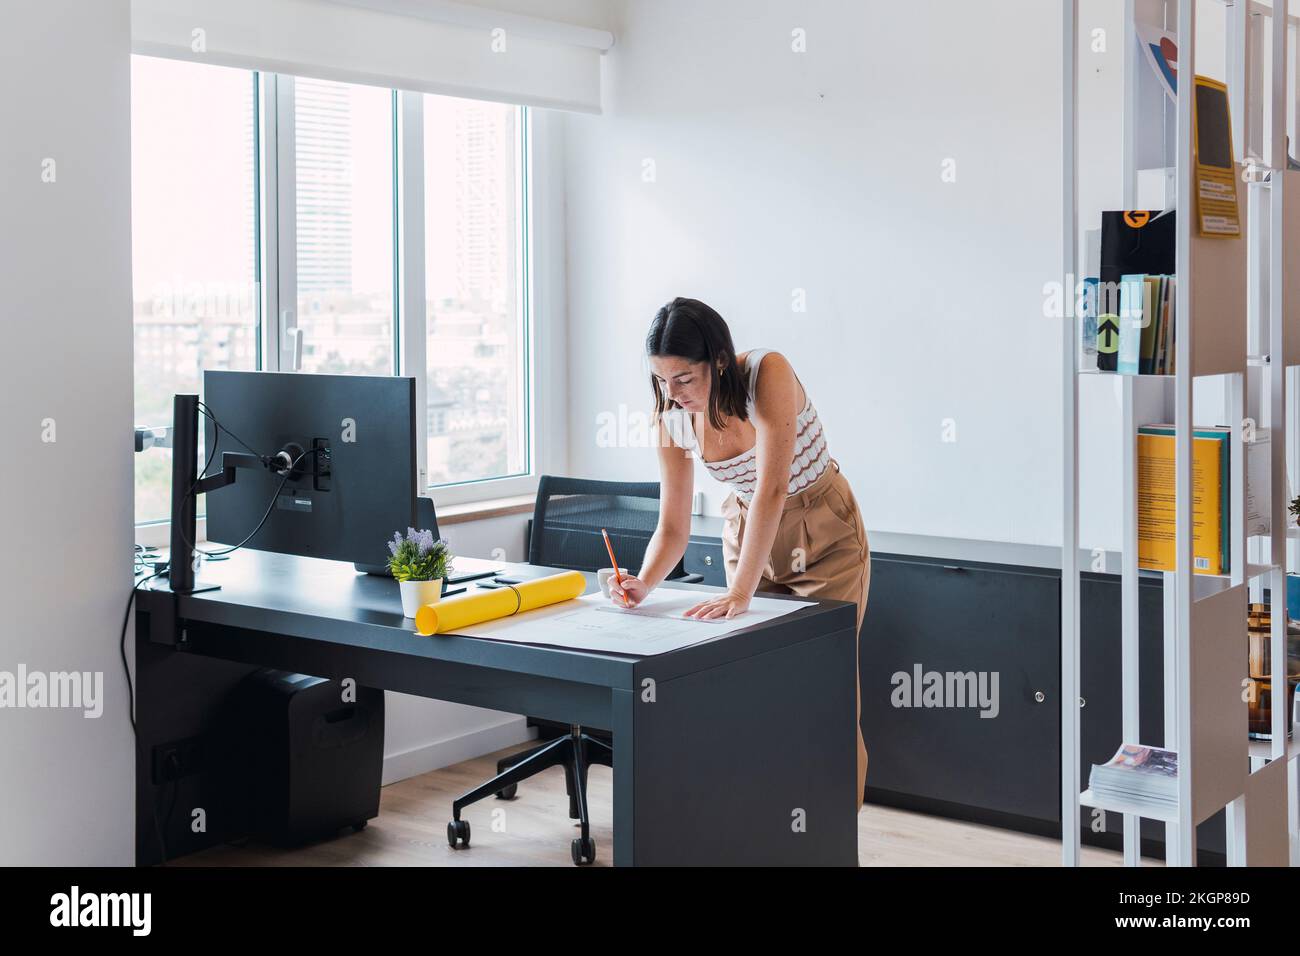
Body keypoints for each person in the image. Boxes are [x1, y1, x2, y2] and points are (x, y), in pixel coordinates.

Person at [607, 296, 871, 811]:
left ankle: (834, 836)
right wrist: (643, 582)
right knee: (755, 689)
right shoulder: (673, 418)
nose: (672, 393)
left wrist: (739, 592)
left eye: (684, 378)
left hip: (822, 527)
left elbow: (774, 486)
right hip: (749, 530)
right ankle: (772, 830)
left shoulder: (765, 373)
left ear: (719, 360)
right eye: (661, 380)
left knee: (825, 692)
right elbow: (673, 525)